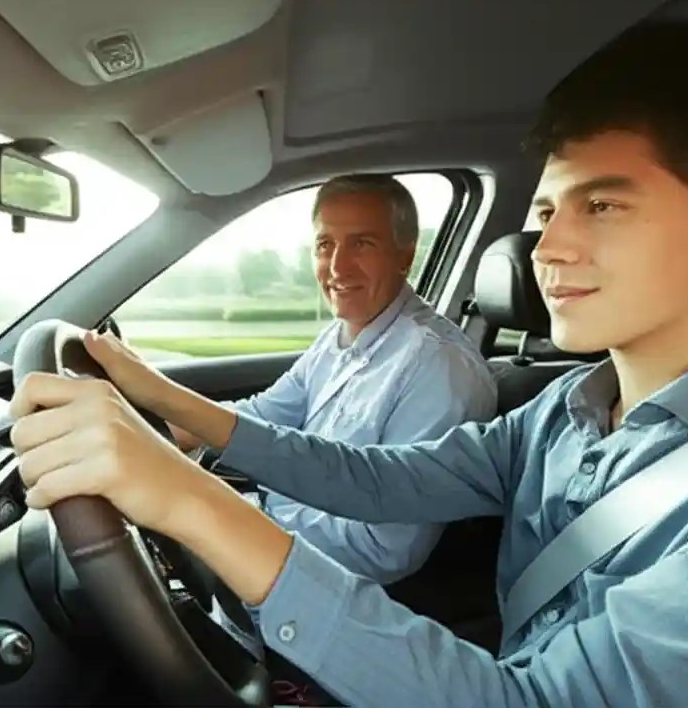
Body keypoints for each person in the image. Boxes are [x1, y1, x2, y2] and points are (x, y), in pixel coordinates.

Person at [9, 21, 688, 707]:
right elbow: (376, 479)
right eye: (549, 209)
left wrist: (188, 501)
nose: (544, 249)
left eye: (602, 206)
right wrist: (161, 417)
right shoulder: (569, 406)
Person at [181, 175, 496, 606]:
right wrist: (165, 424)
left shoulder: (439, 369)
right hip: (281, 547)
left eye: (362, 244)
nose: (337, 268)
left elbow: (385, 550)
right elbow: (267, 413)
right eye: (325, 244)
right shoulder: (342, 334)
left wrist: (232, 526)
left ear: (405, 255)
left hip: (331, 597)